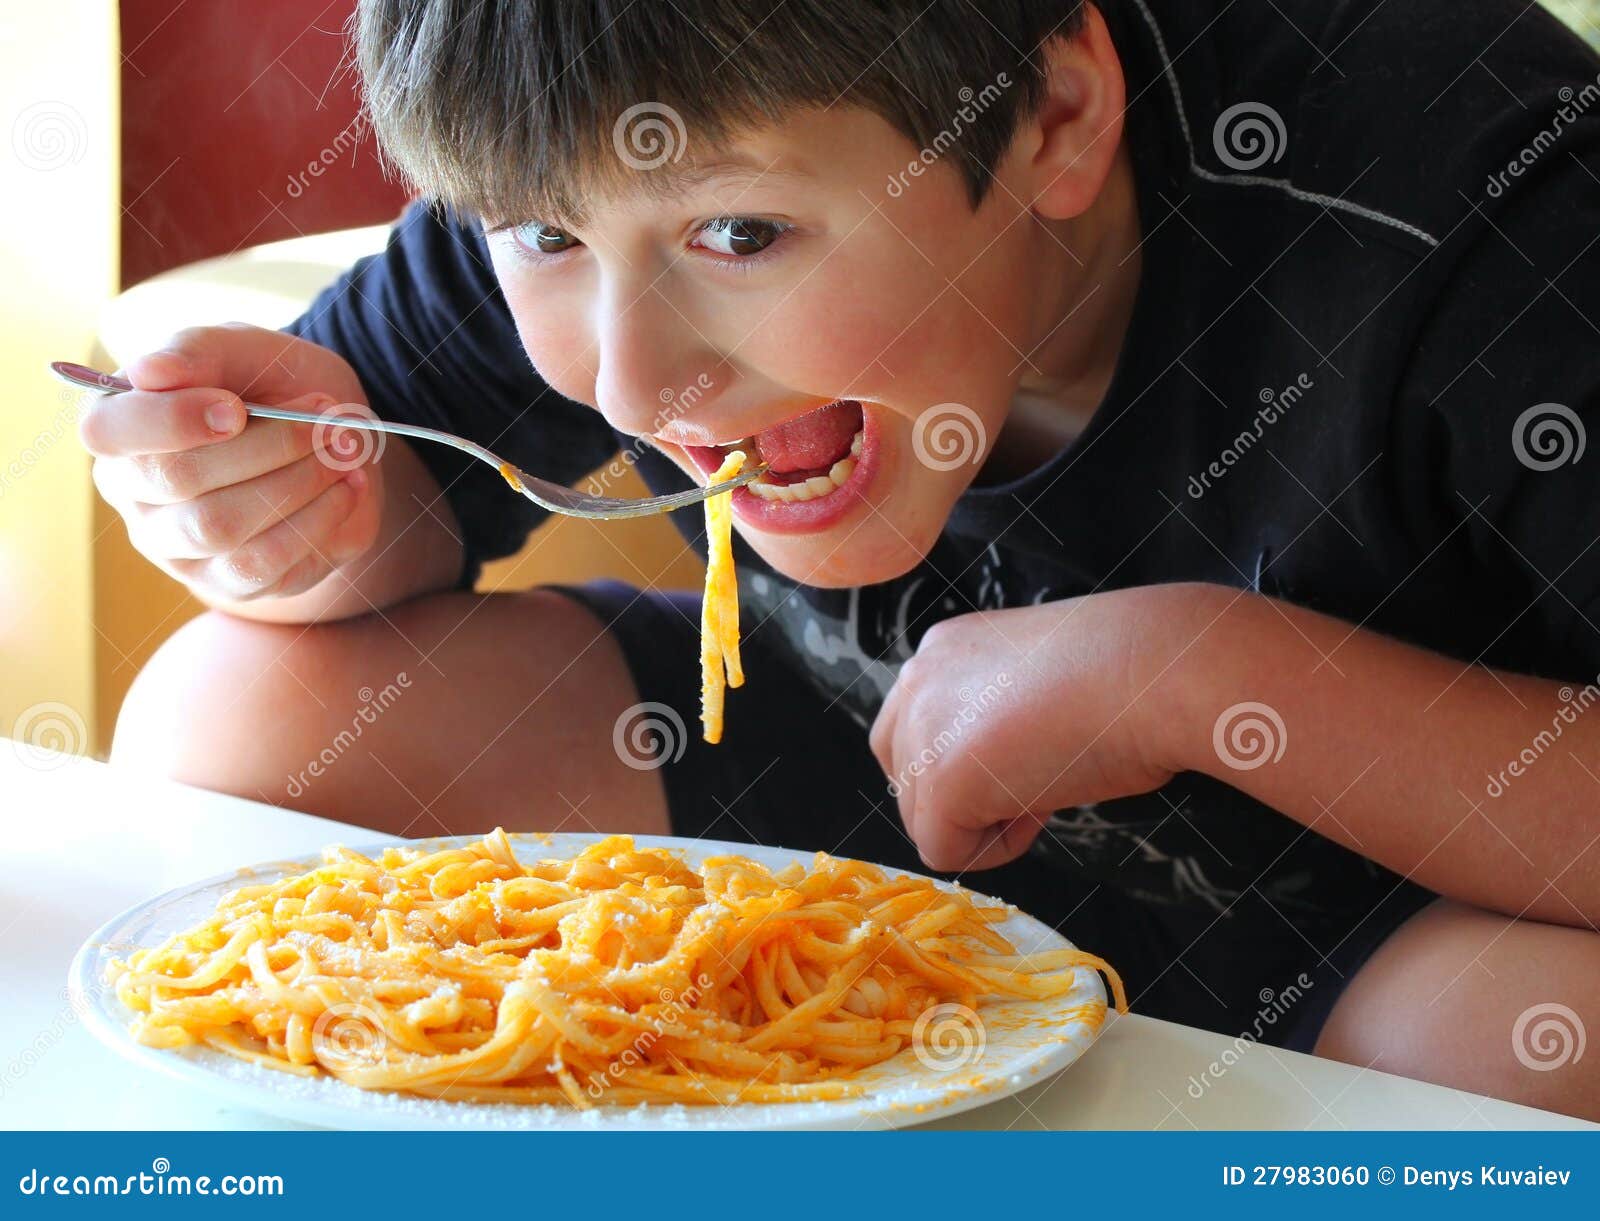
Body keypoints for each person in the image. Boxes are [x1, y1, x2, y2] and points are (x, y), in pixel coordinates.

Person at [83, 1, 1600, 1118]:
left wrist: (1199, 676)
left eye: (743, 234)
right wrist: (308, 521)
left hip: (1402, 911)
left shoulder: (1498, 215)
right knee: (239, 711)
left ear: (1061, 116)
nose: (631, 385)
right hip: (858, 832)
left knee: (1557, 1042)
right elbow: (395, 488)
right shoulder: (611, 147)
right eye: (537, 232)